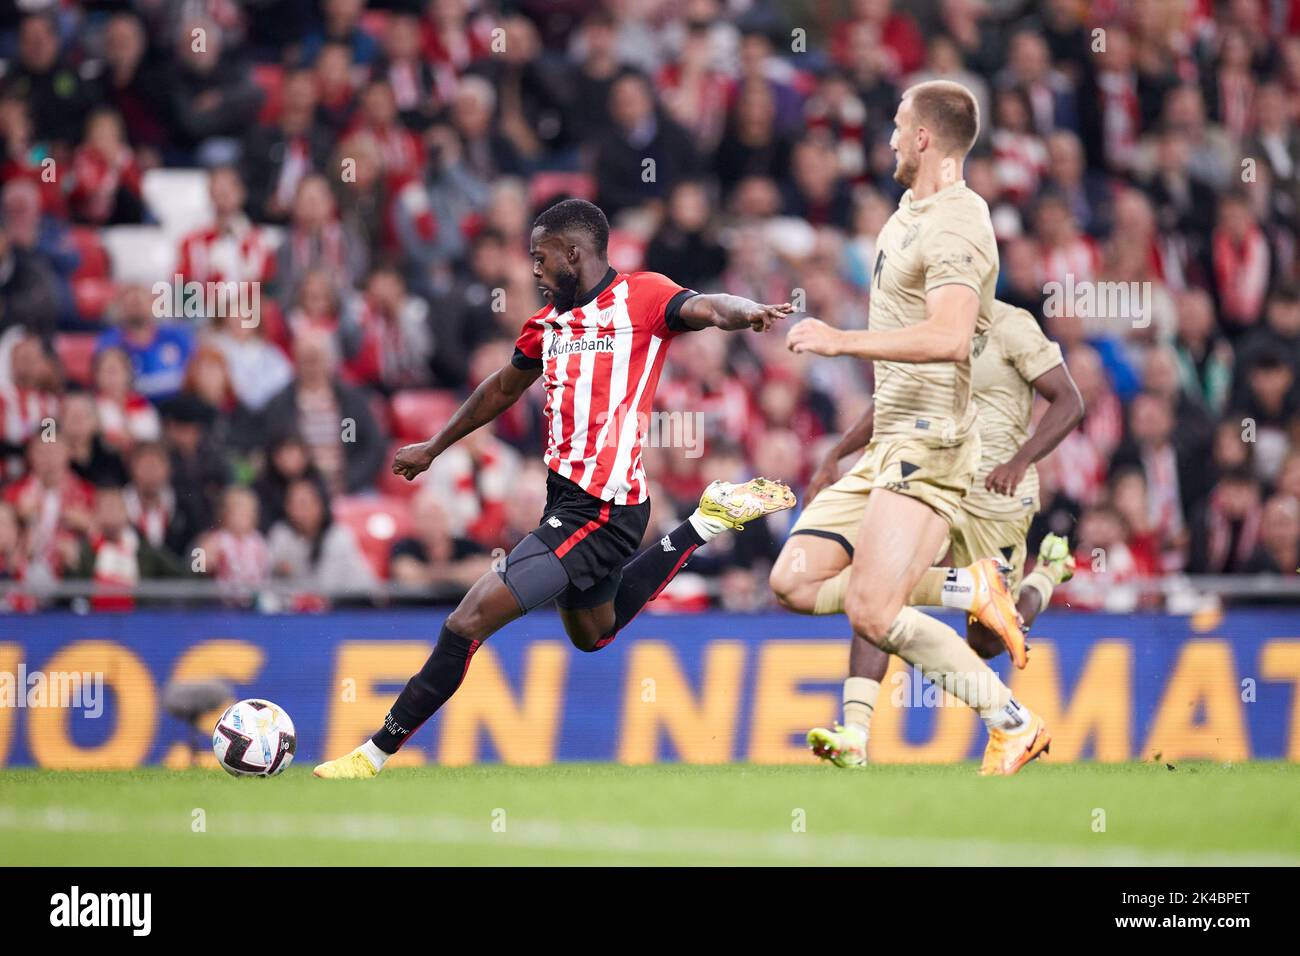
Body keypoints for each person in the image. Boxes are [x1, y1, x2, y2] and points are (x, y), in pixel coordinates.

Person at [314, 198, 796, 779]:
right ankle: (702, 523)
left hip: (604, 509)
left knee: (467, 621)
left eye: (540, 258)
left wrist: (745, 312)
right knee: (593, 634)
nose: (534, 271)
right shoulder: (546, 325)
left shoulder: (643, 298)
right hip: (567, 502)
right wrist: (433, 447)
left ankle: (373, 754)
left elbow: (709, 307)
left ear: (574, 253)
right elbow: (498, 390)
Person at [781, 81, 1050, 776]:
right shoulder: (906, 211)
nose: (892, 138)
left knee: (872, 610)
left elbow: (951, 337)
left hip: (930, 443)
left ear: (925, 137)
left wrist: (840, 342)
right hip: (889, 441)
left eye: (899, 126)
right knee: (793, 580)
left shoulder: (960, 221)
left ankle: (1012, 721)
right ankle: (966, 590)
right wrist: (848, 447)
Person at [772, 298, 1084, 767]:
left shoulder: (1012, 326)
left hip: (994, 494)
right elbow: (893, 404)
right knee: (876, 588)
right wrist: (837, 453)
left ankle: (1045, 575)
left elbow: (1070, 400)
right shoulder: (923, 328)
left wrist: (1021, 461)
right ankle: (855, 730)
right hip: (929, 474)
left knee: (987, 642)